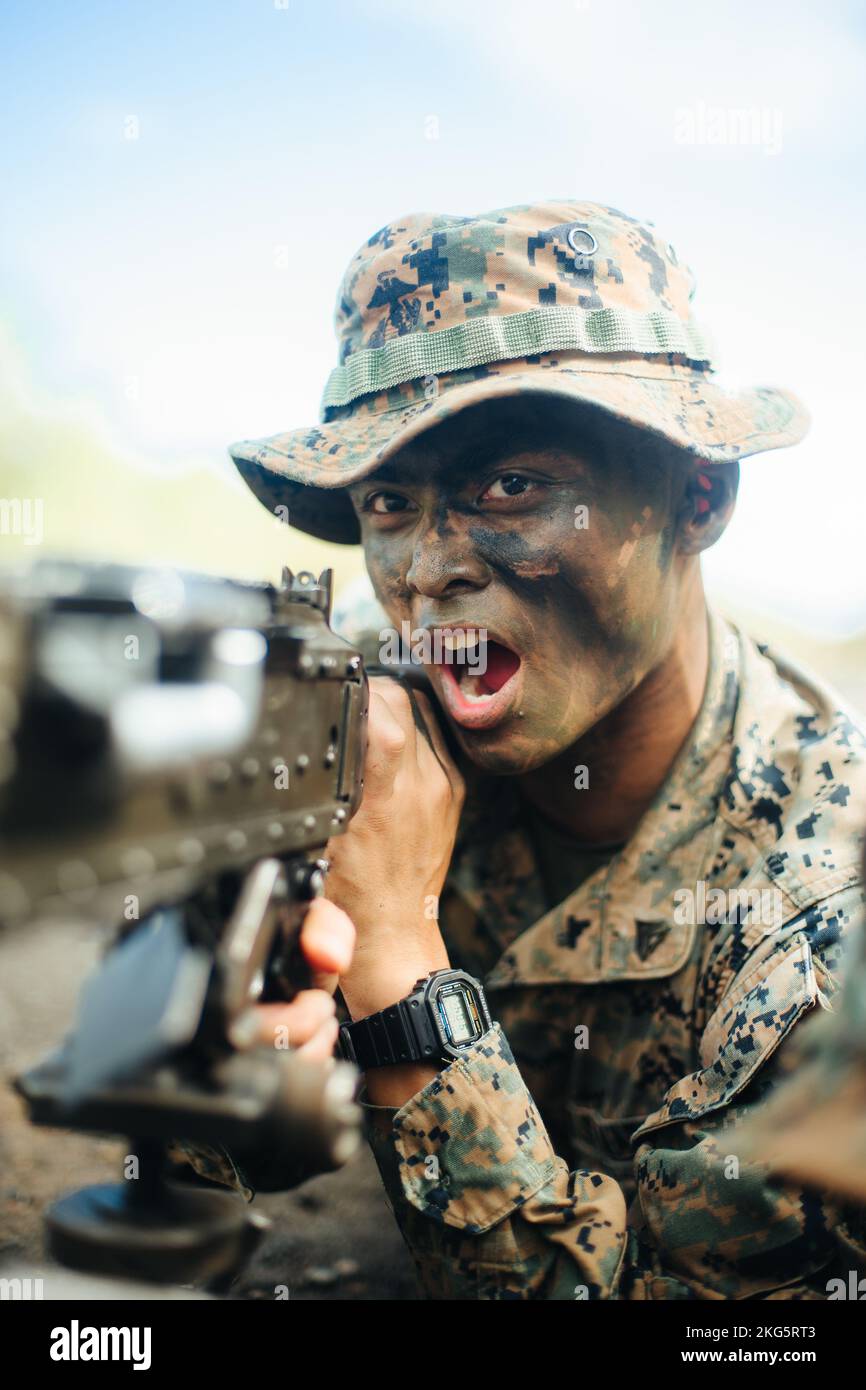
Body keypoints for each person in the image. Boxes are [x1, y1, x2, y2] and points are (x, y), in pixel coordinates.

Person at [216, 201, 866, 1298]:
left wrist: (398, 973)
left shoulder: (826, 917)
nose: (424, 572)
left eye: (509, 486)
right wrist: (249, 1033)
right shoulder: (357, 724)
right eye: (388, 500)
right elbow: (230, 1154)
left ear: (695, 497)